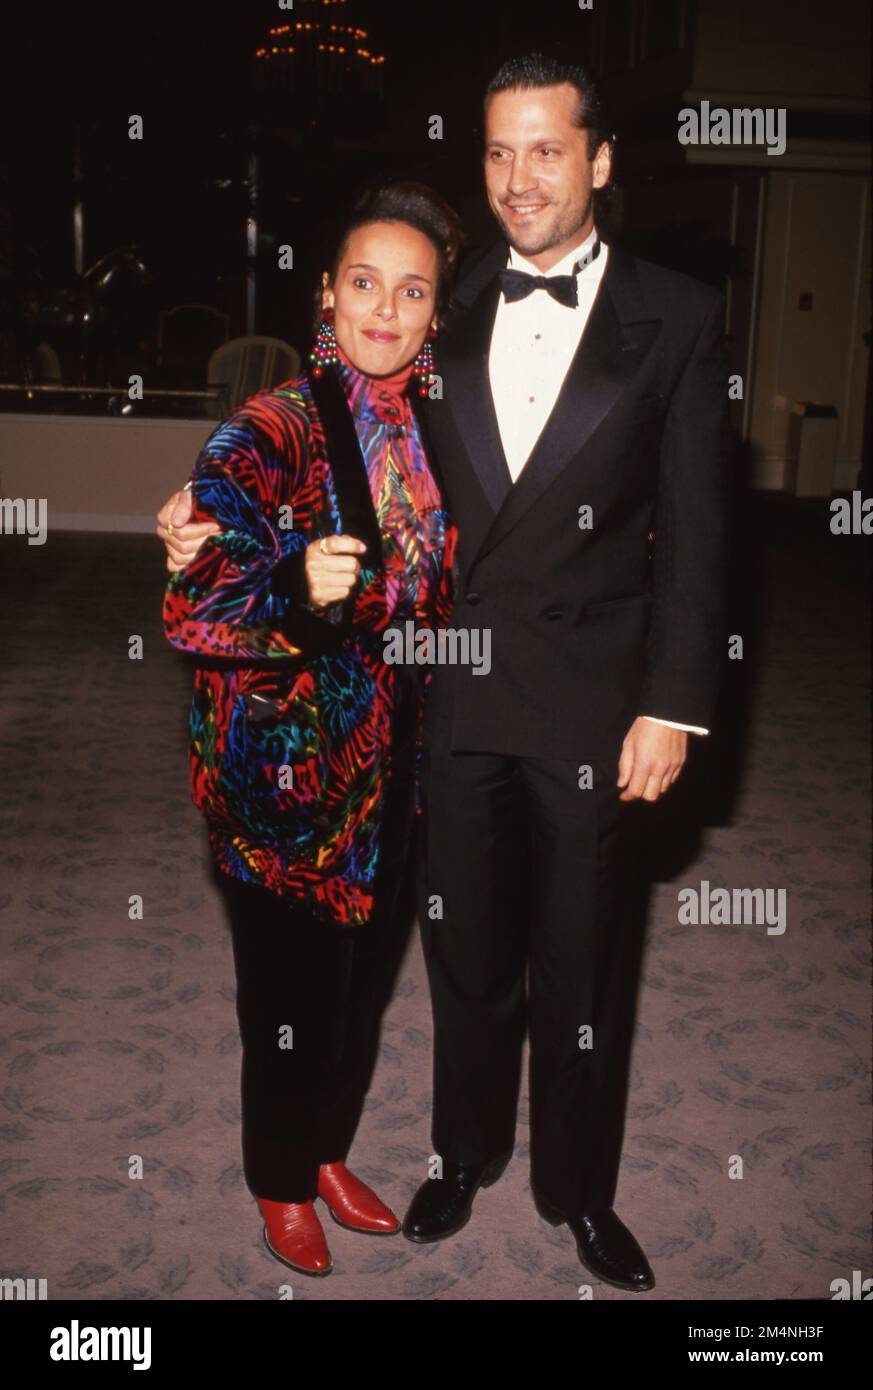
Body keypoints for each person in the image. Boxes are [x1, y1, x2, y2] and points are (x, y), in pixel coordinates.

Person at [159, 52, 732, 1296]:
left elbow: (698, 530)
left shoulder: (677, 317)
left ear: (599, 160)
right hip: (444, 703)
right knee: (461, 954)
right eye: (496, 151)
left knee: (582, 962)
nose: (518, 178)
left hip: (593, 699)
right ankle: (461, 1156)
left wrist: (675, 701)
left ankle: (579, 1193)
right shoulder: (446, 302)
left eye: (545, 149)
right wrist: (208, 508)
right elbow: (320, 424)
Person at [160, 181, 462, 1277]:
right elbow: (193, 601)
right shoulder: (274, 426)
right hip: (284, 773)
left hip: (397, 767)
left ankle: (327, 1148)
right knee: (287, 996)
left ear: (437, 310)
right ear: (326, 295)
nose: (386, 310)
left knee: (362, 982)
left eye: (413, 289)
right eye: (365, 283)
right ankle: (281, 1176)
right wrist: (288, 580)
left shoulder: (442, 418)